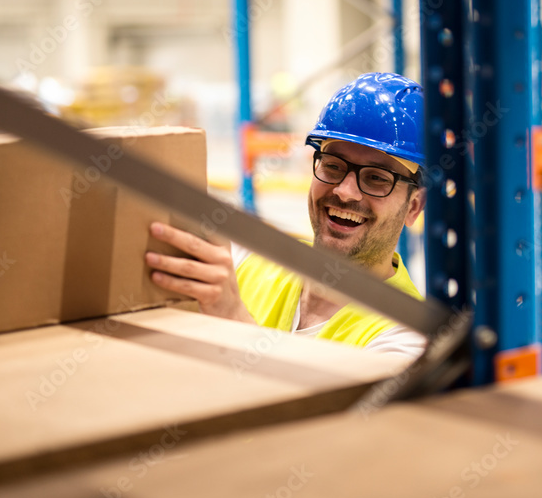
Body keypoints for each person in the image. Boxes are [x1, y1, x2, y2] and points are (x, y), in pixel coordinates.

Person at [145, 73, 427, 358]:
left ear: (414, 206)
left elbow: (317, 403)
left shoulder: (407, 338)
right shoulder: (253, 263)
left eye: (377, 178)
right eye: (333, 166)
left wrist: (232, 317)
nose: (345, 191)